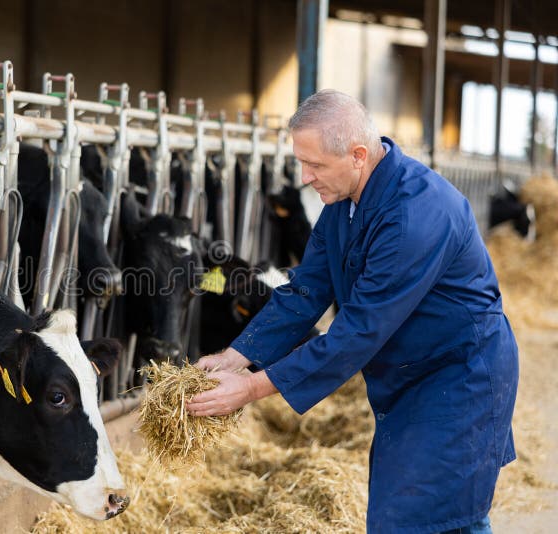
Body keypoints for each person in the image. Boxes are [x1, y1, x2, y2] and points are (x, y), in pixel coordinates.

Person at [186, 89, 518, 534]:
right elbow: (306, 290)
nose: (305, 177)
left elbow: (358, 332)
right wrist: (234, 357)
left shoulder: (414, 215)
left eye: (316, 165)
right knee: (432, 517)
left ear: (358, 155)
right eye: (301, 162)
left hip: (458, 376)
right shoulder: (344, 203)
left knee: (424, 518)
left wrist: (247, 391)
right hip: (412, 376)